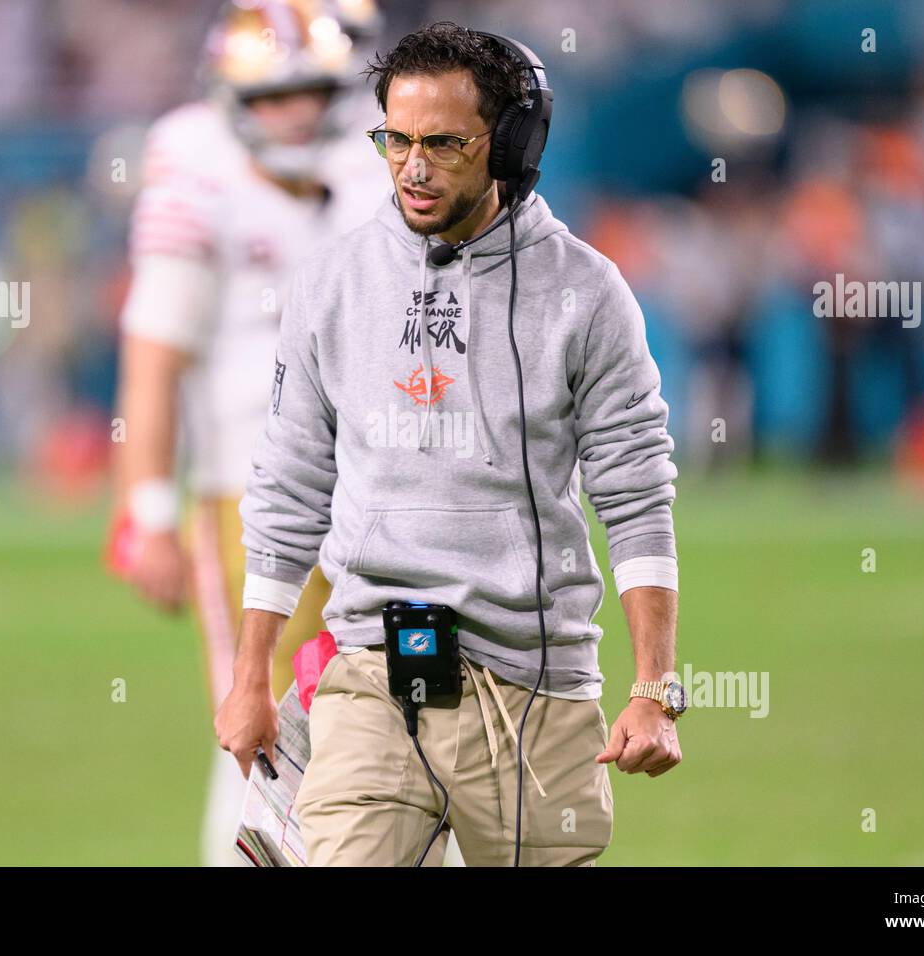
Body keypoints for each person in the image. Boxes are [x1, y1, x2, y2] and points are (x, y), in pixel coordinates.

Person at [217, 21, 685, 867]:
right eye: (394, 139)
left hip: (535, 687)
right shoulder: (331, 282)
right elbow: (289, 483)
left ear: (511, 144)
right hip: (371, 675)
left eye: (443, 142)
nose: (413, 166)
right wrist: (253, 674)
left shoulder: (587, 294)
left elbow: (636, 493)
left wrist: (655, 688)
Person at [108, 0, 390, 867]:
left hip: (385, 493)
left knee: (392, 710)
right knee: (261, 721)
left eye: (311, 89)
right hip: (250, 495)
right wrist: (146, 508)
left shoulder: (377, 161)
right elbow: (154, 354)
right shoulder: (195, 163)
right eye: (274, 95)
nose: (297, 112)